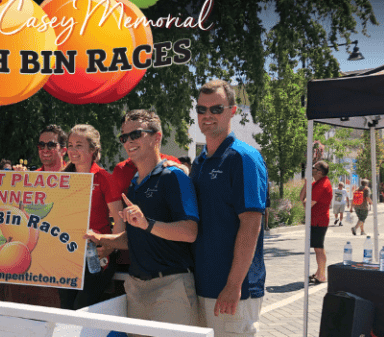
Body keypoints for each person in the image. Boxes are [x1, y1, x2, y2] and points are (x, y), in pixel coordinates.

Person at [86, 110, 200, 332]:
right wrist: (102, 239)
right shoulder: (135, 184)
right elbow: (134, 238)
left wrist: (147, 224)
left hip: (171, 287)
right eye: (124, 137)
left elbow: (189, 232)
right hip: (137, 287)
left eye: (136, 134)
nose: (128, 141)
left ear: (157, 138)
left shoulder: (174, 176)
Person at [190, 79, 268, 336]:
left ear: (232, 110)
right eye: (201, 109)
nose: (207, 115)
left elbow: (251, 223)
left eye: (216, 109)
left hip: (234, 290)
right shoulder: (199, 163)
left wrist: (233, 284)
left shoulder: (244, 158)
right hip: (202, 285)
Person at [57, 124, 118, 310]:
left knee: (82, 308)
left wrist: (110, 247)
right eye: (70, 145)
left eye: (79, 145)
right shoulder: (61, 179)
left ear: (93, 149)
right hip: (68, 253)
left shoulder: (104, 178)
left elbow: (119, 220)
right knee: (67, 310)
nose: (73, 150)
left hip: (96, 254)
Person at [300, 161, 332, 284]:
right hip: (316, 219)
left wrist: (305, 201)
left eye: (314, 167)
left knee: (319, 248)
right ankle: (319, 273)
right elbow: (302, 198)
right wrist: (306, 184)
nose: (311, 169)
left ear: (319, 172)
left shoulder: (322, 185)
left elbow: (307, 204)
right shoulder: (317, 183)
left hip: (319, 220)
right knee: (317, 247)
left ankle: (322, 276)